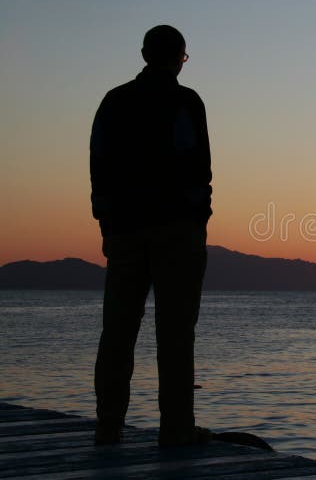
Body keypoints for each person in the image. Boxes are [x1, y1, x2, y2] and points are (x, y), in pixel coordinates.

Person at [90, 25, 213, 446]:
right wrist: (199, 219)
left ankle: (108, 426)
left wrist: (106, 223)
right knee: (175, 334)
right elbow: (200, 167)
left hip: (124, 231)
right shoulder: (185, 101)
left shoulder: (114, 101)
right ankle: (175, 429)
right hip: (177, 230)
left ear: (144, 53)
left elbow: (99, 166)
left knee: (118, 332)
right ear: (179, 57)